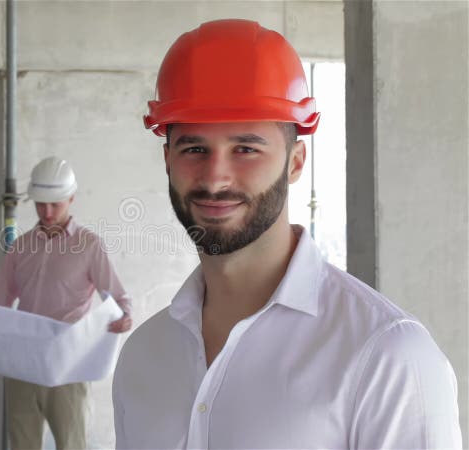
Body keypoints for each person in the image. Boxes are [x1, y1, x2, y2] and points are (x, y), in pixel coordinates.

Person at [112, 19, 462, 449]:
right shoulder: (144, 356)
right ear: (168, 159)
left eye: (246, 149)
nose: (216, 177)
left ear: (296, 162)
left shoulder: (386, 355)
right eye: (194, 148)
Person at [0, 156, 133, 450]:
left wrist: (125, 315)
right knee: (22, 445)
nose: (47, 211)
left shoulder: (89, 246)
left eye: (55, 204)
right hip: (23, 362)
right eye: (41, 204)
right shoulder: (21, 246)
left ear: (71, 198)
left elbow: (117, 297)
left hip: (69, 364)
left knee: (71, 444)